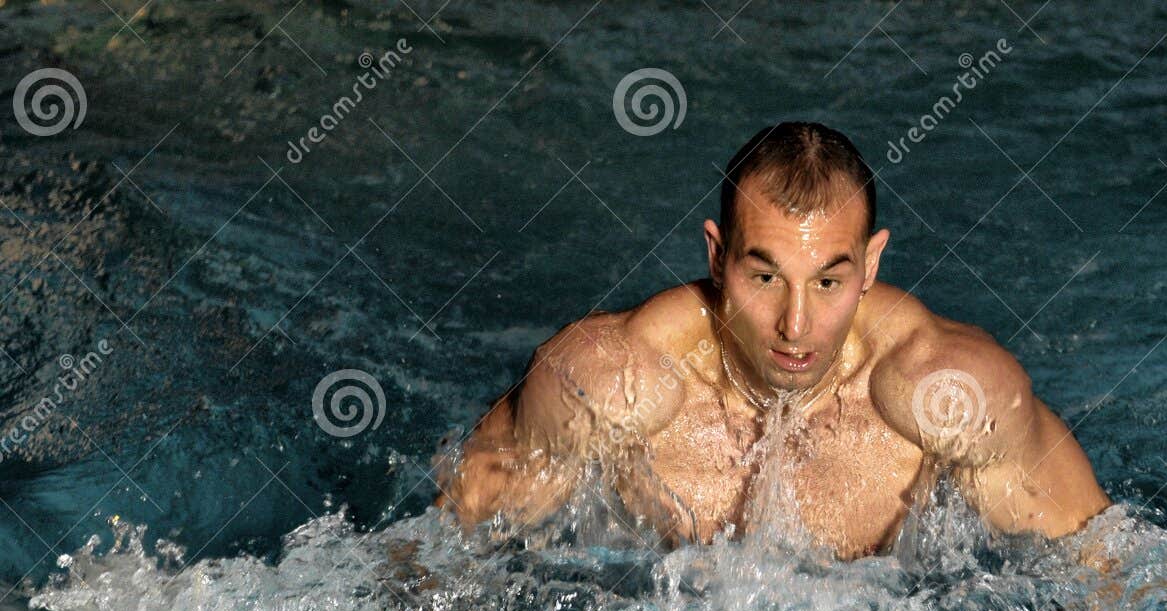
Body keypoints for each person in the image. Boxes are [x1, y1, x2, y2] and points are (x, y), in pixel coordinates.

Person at [434, 121, 1111, 559]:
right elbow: (444, 546)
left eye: (828, 282)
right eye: (765, 277)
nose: (796, 325)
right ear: (717, 257)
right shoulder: (609, 383)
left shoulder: (950, 396)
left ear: (871, 265)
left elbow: (1106, 562)